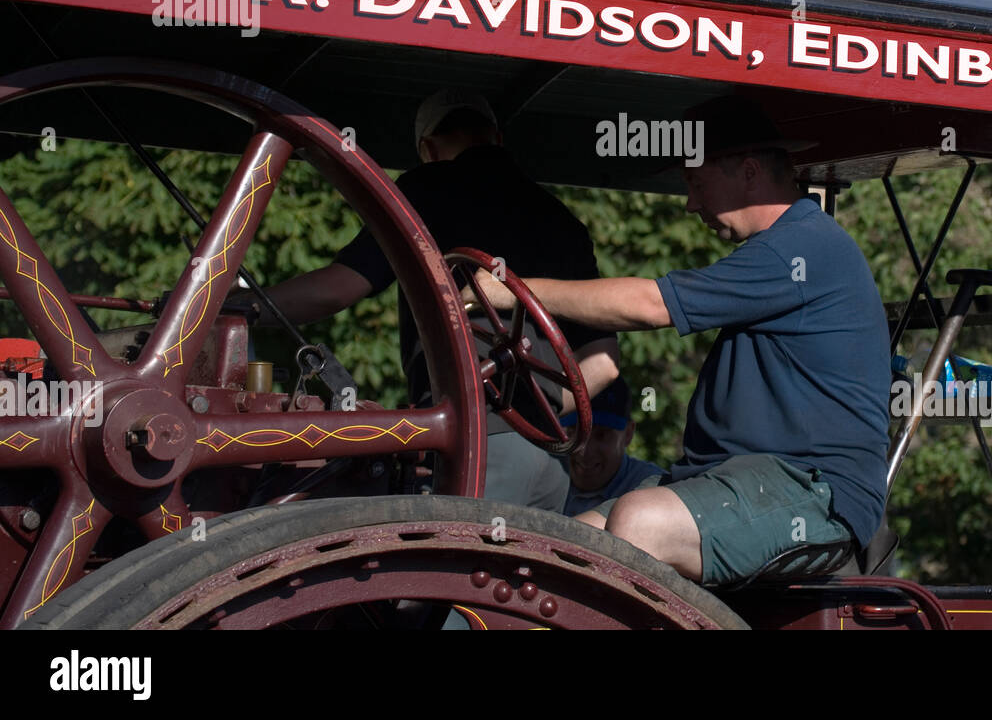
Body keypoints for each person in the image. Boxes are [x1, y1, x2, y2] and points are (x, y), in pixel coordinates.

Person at [471, 95, 891, 587]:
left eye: (695, 181)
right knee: (556, 548)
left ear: (749, 171)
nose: (691, 202)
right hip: (729, 480)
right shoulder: (783, 248)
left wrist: (516, 292)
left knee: (641, 522)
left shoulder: (800, 248)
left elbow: (651, 306)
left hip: (813, 493)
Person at [237, 87, 619, 512]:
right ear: (497, 137)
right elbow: (603, 361)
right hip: (551, 463)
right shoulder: (561, 218)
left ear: (428, 148)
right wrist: (534, 412)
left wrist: (232, 305)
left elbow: (340, 287)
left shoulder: (427, 187)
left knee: (455, 573)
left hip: (474, 450)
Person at [562, 376, 666, 517]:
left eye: (601, 435)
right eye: (575, 431)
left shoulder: (652, 490)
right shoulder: (543, 471)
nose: (585, 451)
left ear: (628, 434)